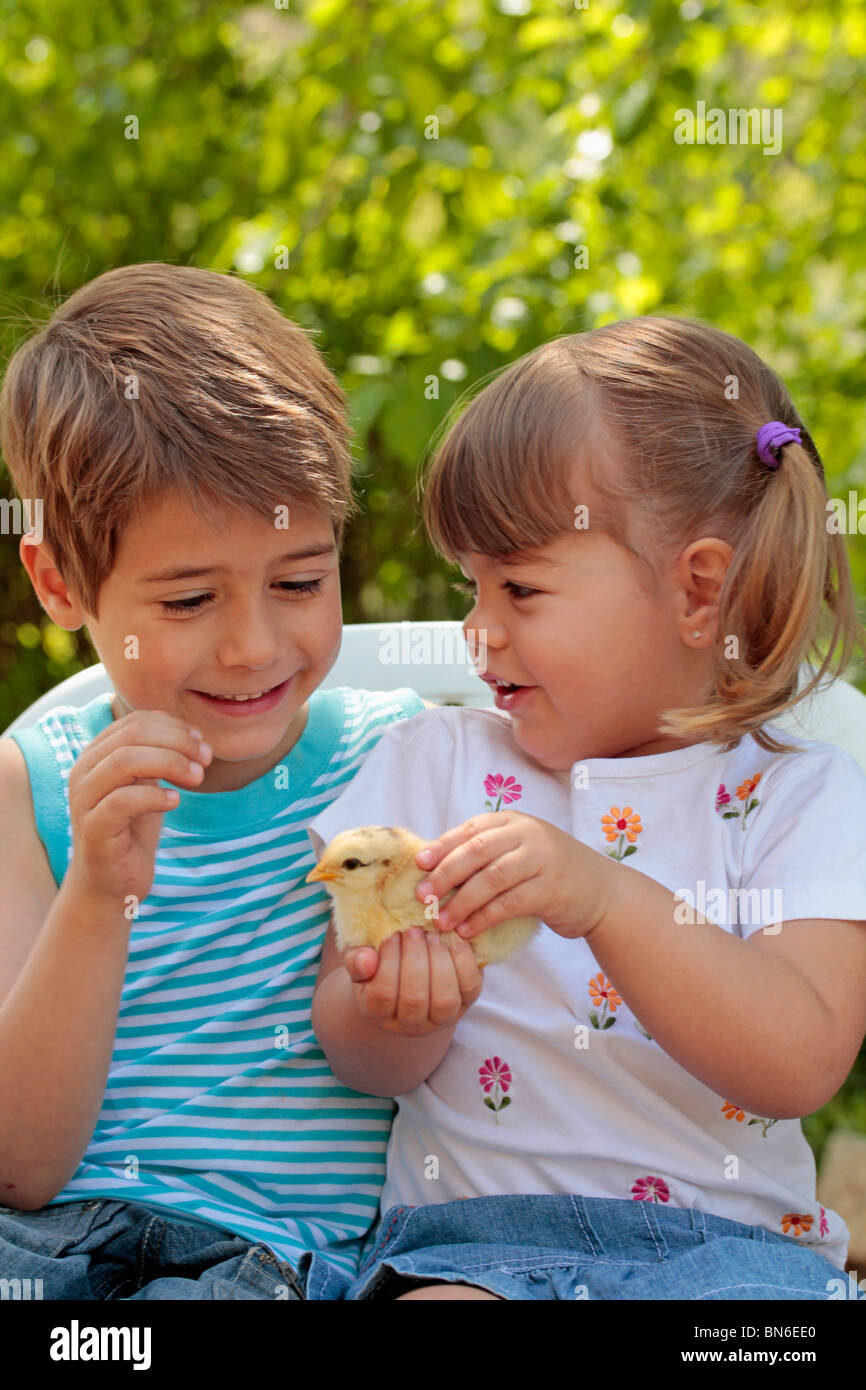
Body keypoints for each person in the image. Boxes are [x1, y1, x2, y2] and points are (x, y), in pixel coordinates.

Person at [307, 315, 866, 1301]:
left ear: (695, 592)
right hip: (468, 1247)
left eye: (517, 587)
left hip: (728, 1257)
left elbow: (796, 1061)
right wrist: (397, 1009)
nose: (476, 633)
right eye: (469, 587)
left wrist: (603, 897)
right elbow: (358, 1056)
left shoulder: (799, 794)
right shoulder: (431, 763)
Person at [0, 262, 433, 1299]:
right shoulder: (31, 786)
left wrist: (412, 984)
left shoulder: (393, 760)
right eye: (190, 599)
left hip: (263, 1261)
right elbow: (20, 1162)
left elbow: (392, 1060)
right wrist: (100, 896)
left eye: (298, 581)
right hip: (38, 1241)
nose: (253, 646)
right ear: (60, 581)